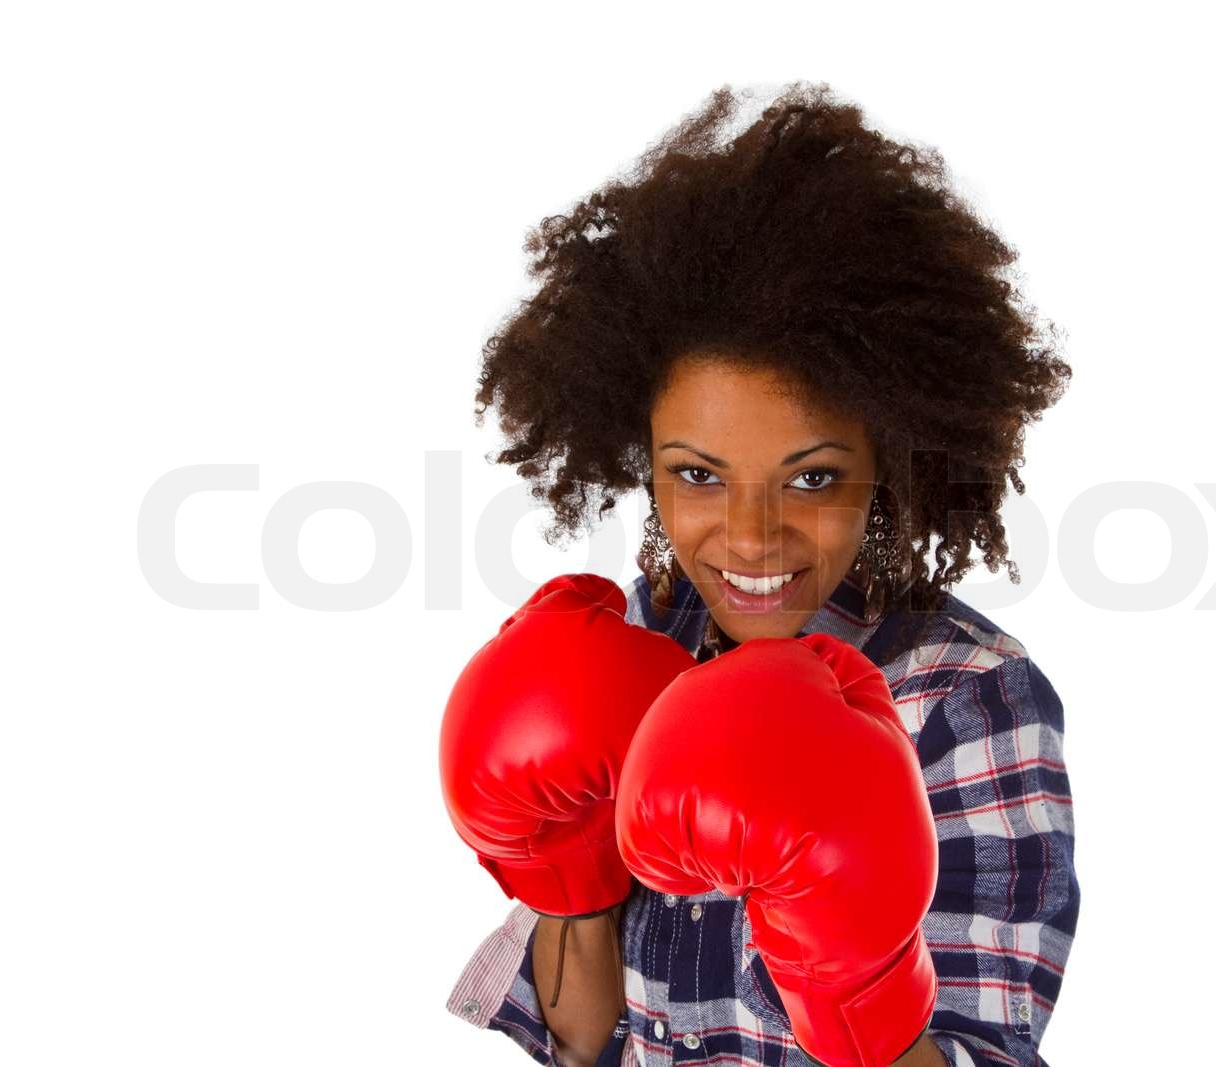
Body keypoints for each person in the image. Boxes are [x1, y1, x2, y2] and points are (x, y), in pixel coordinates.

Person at [441, 80, 1078, 1067]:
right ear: (642, 460)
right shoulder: (634, 653)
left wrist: (854, 981)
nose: (750, 536)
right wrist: (568, 880)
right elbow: (581, 1042)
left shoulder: (966, 697)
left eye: (812, 476)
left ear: (890, 459)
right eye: (697, 473)